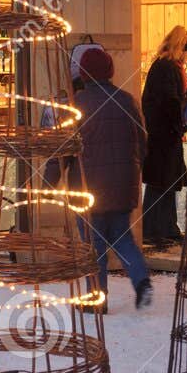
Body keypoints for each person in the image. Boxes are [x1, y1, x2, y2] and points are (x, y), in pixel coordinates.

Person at [72, 47, 152, 309]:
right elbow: (142, 141)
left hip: (89, 189)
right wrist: (133, 168)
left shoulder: (78, 104)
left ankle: (96, 299)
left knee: (93, 247)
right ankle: (141, 280)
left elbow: (64, 148)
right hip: (122, 186)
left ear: (84, 74)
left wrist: (48, 180)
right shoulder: (127, 100)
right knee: (122, 238)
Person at [140, 25, 187, 247]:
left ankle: (164, 227)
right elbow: (171, 102)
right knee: (162, 183)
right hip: (164, 135)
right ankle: (156, 228)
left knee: (165, 182)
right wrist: (182, 123)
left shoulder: (162, 67)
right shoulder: (168, 69)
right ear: (181, 49)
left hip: (162, 134)